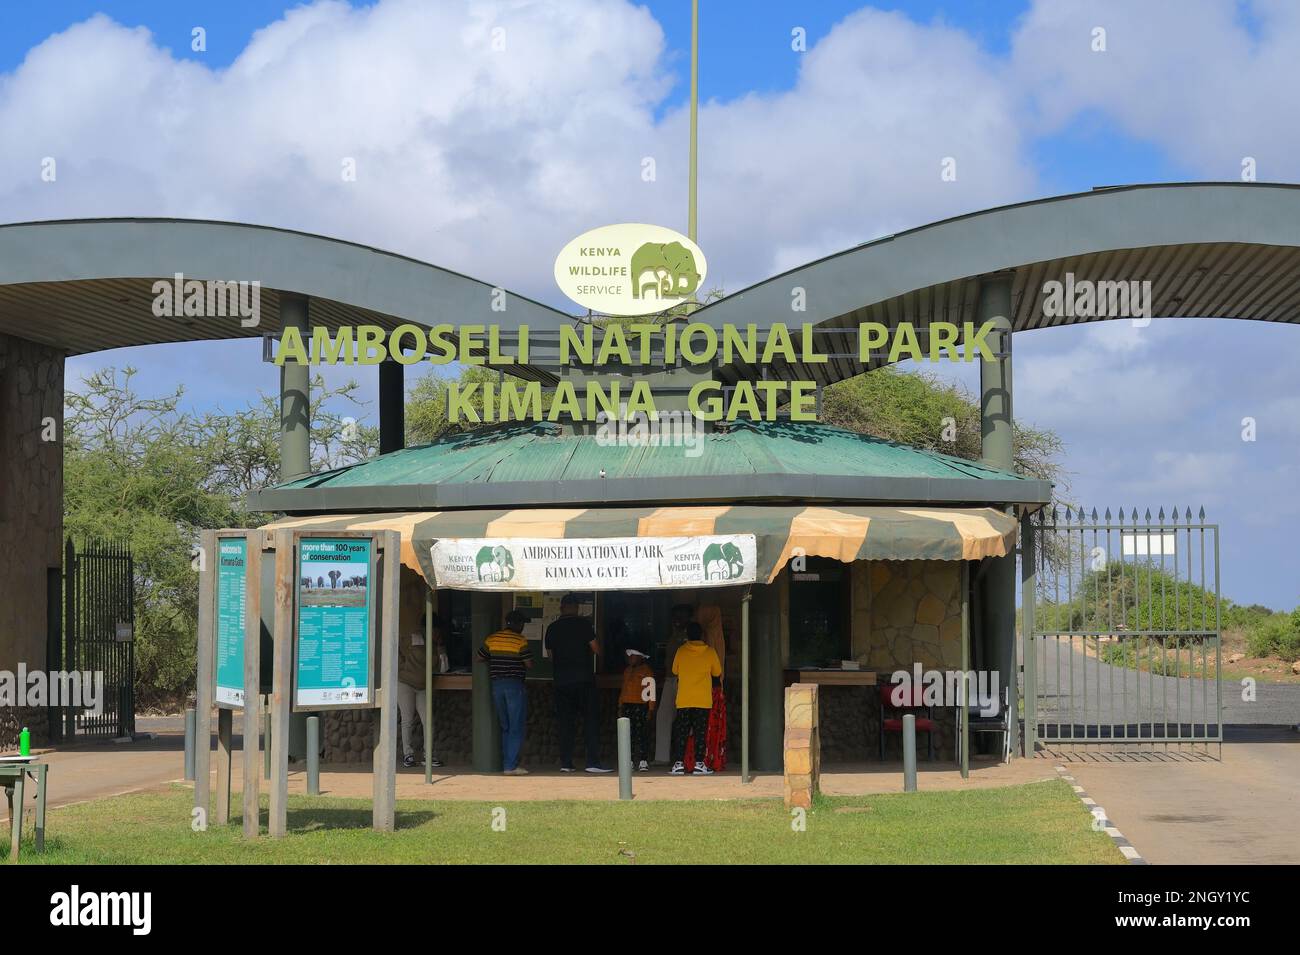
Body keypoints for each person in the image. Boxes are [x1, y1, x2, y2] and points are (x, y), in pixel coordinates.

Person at [544, 593, 612, 773]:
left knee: (565, 723)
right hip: (584, 680)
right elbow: (596, 649)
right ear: (577, 608)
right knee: (590, 721)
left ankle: (566, 763)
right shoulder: (584, 625)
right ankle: (592, 763)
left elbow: (550, 656)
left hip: (561, 681)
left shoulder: (552, 628)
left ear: (561, 607)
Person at [477, 609, 533, 775]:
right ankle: (510, 765)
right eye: (522, 623)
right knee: (516, 726)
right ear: (518, 624)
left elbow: (479, 657)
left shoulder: (492, 639)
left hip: (497, 686)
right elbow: (529, 664)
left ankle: (507, 763)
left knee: (506, 726)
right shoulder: (520, 641)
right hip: (515, 686)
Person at [396, 589, 445, 768]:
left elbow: (443, 667)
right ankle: (408, 754)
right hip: (405, 683)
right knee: (407, 719)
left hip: (424, 685)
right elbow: (416, 658)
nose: (436, 632)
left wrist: (440, 648)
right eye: (434, 629)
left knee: (427, 720)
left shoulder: (437, 644)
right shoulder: (415, 638)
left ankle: (428, 755)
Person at [669, 621, 721, 775]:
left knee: (682, 732)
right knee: (700, 733)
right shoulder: (710, 652)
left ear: (687, 635)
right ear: (702, 635)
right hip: (702, 700)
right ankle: (699, 764)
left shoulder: (681, 651)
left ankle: (678, 763)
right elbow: (717, 672)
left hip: (684, 699)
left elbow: (674, 670)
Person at [655, 603, 695, 764]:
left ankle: (689, 756)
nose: (676, 619)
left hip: (684, 680)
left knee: (686, 718)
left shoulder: (691, 636)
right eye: (675, 616)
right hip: (670, 678)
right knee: (663, 716)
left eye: (681, 615)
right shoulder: (673, 634)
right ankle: (662, 757)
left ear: (688, 618)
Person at [618, 648, 657, 771]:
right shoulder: (627, 671)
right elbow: (623, 690)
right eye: (629, 657)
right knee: (628, 734)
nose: (630, 659)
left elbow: (651, 692)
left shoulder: (647, 671)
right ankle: (628, 760)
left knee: (642, 734)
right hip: (627, 705)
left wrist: (651, 709)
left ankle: (643, 760)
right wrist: (620, 705)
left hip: (641, 706)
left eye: (633, 656)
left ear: (640, 658)